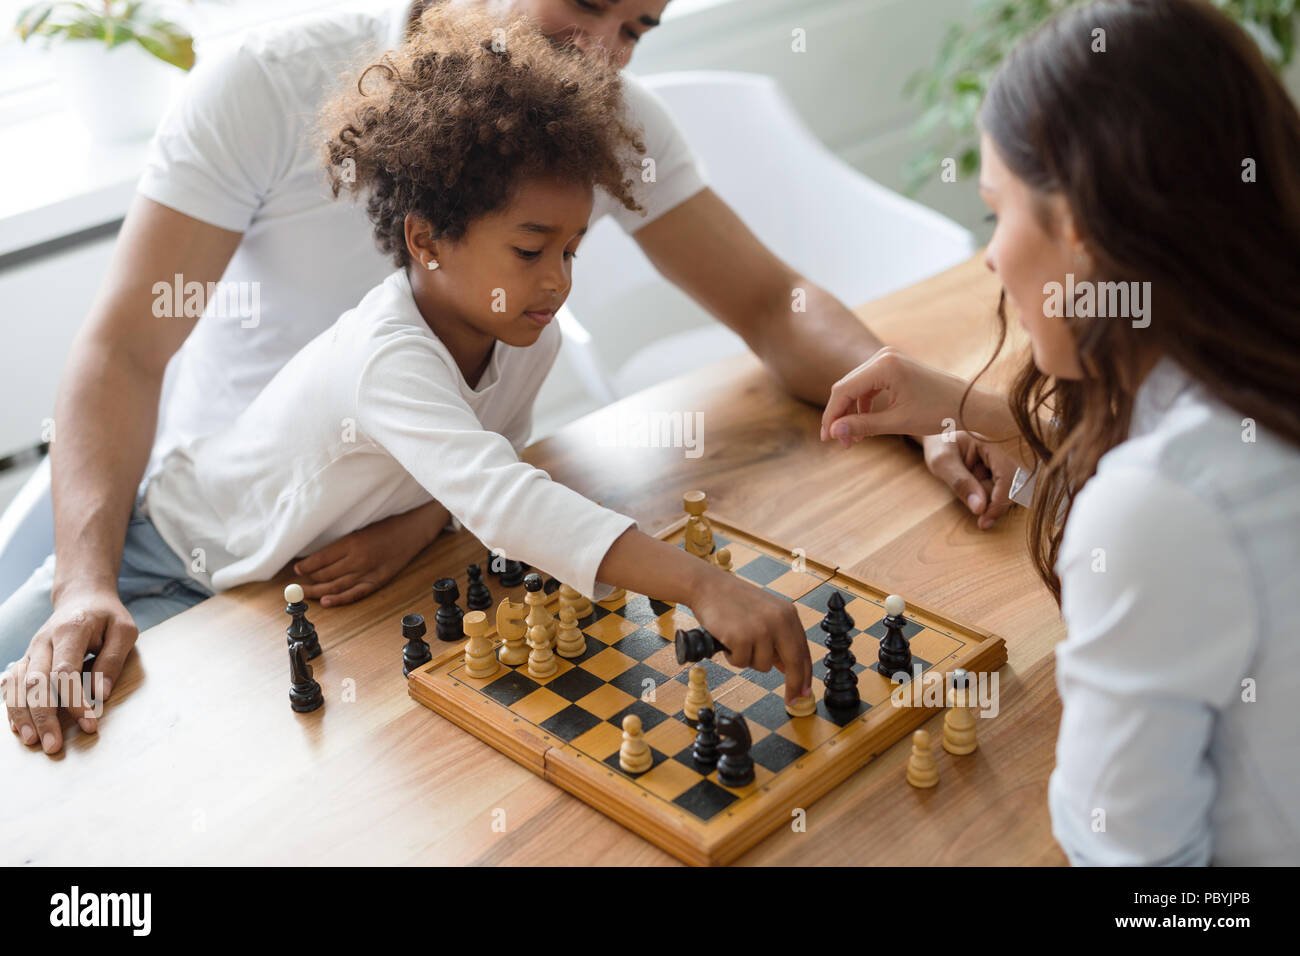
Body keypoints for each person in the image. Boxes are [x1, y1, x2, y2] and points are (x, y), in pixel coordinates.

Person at [2, 0, 1013, 753]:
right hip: (193, 554)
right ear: (423, 236)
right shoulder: (265, 87)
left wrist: (914, 403)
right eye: (584, 7)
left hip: (380, 571)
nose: (606, 56)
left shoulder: (586, 143)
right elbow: (121, 351)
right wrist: (85, 581)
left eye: (638, 28)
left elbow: (765, 301)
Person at [821, 0, 1300, 864]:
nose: (993, 258)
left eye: (997, 210)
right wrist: (969, 406)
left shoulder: (1165, 509)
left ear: (1079, 230)